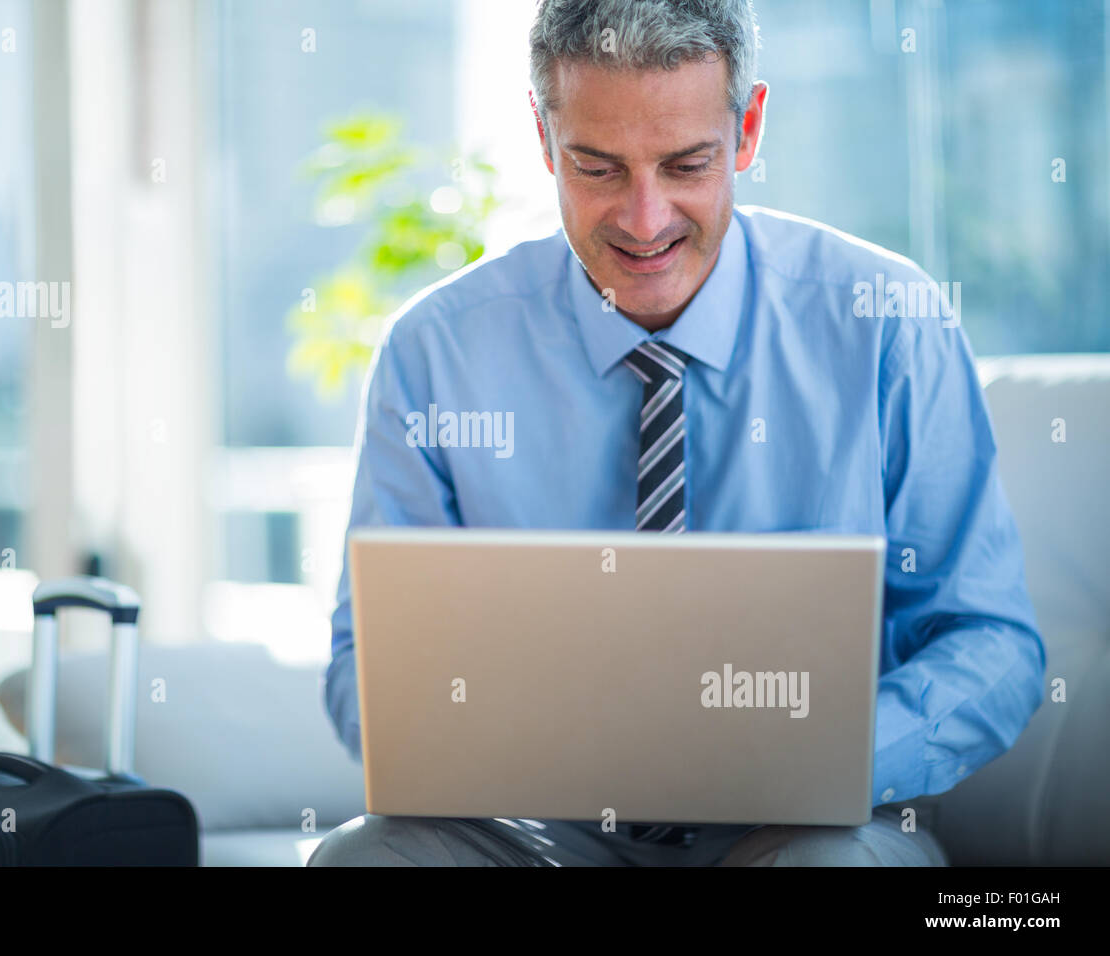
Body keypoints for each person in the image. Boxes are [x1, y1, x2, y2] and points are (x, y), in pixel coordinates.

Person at [308, 0, 1043, 866]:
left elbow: (990, 640)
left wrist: (819, 761)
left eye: (686, 164)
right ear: (544, 138)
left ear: (747, 130)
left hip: (807, 829)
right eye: (598, 168)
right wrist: (532, 754)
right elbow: (368, 668)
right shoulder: (435, 352)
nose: (645, 220)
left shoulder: (888, 322)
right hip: (539, 835)